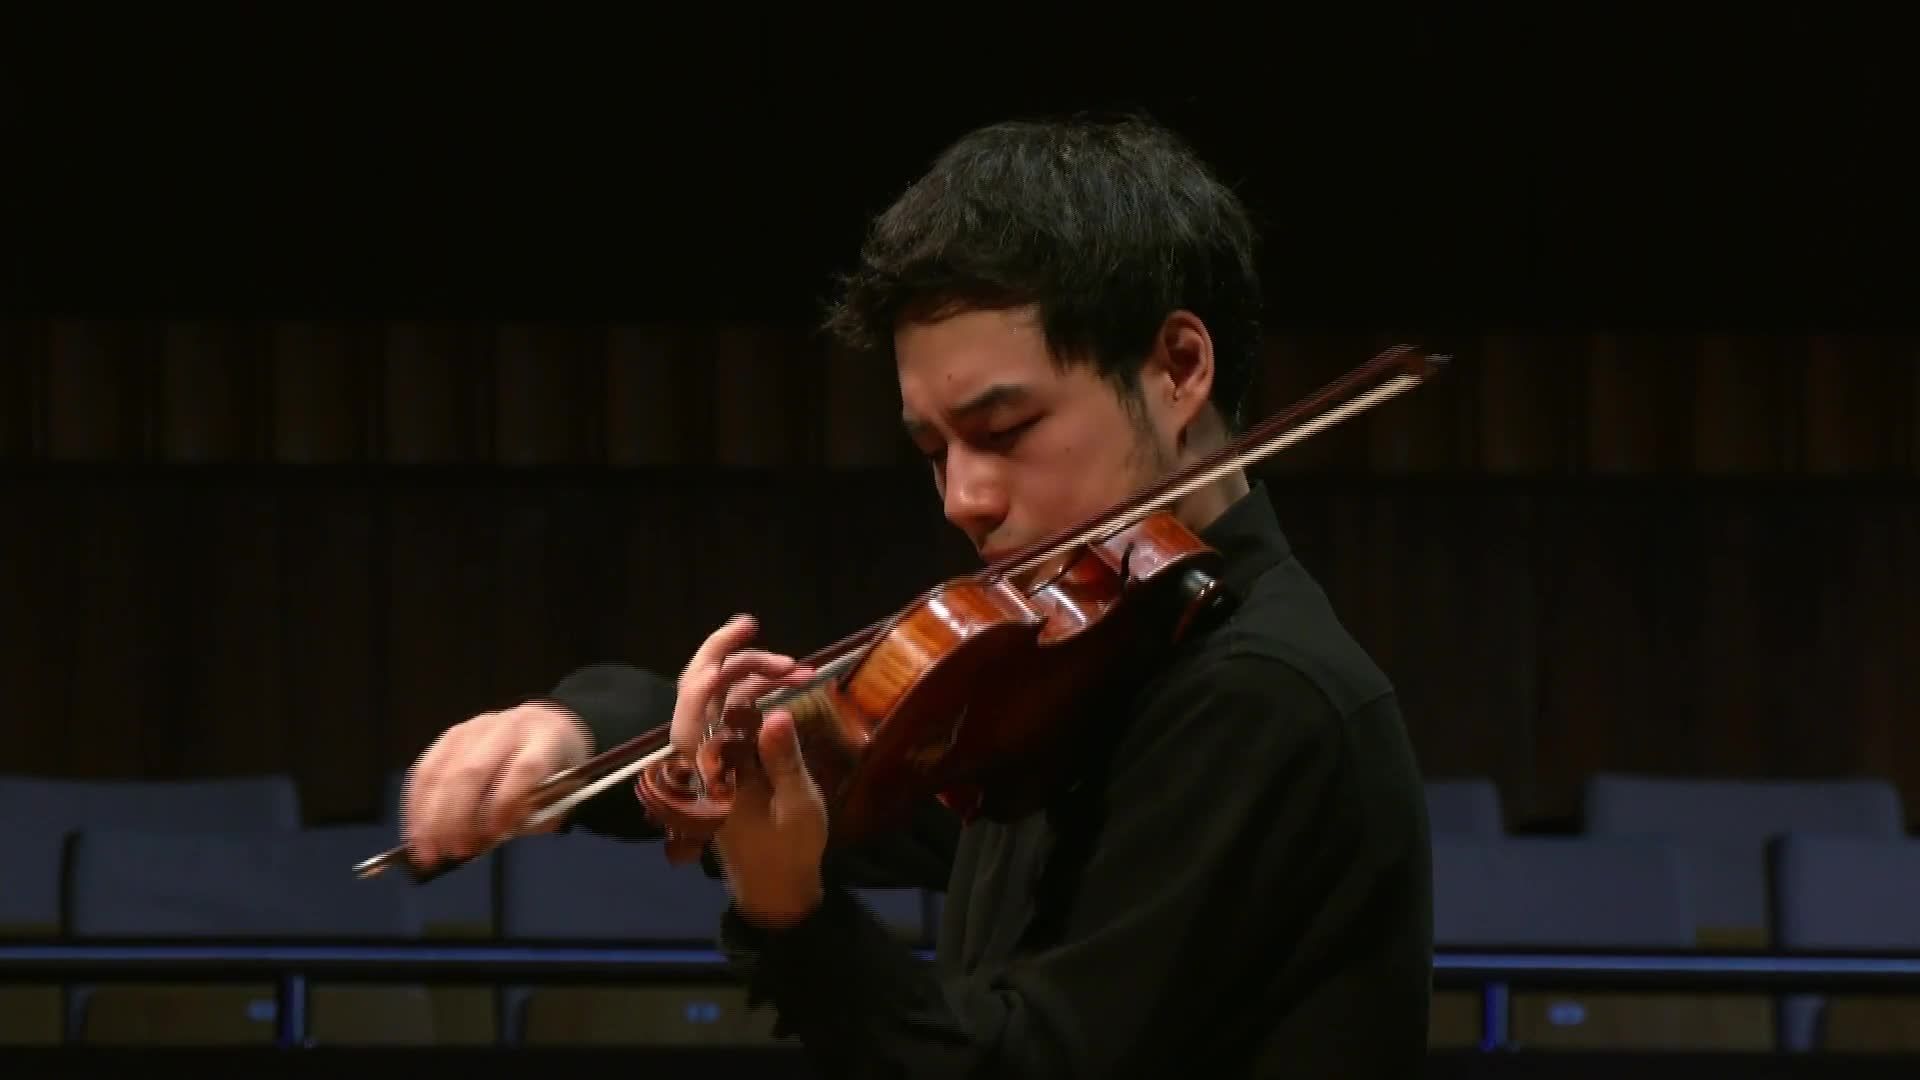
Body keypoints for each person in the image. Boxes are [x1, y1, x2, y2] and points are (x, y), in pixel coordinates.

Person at [400, 113, 1434, 1076]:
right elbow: (833, 765)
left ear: (1177, 366)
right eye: (934, 448)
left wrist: (793, 920)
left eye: (1005, 429)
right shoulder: (1081, 671)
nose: (965, 499)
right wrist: (577, 730)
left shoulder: (1266, 697)